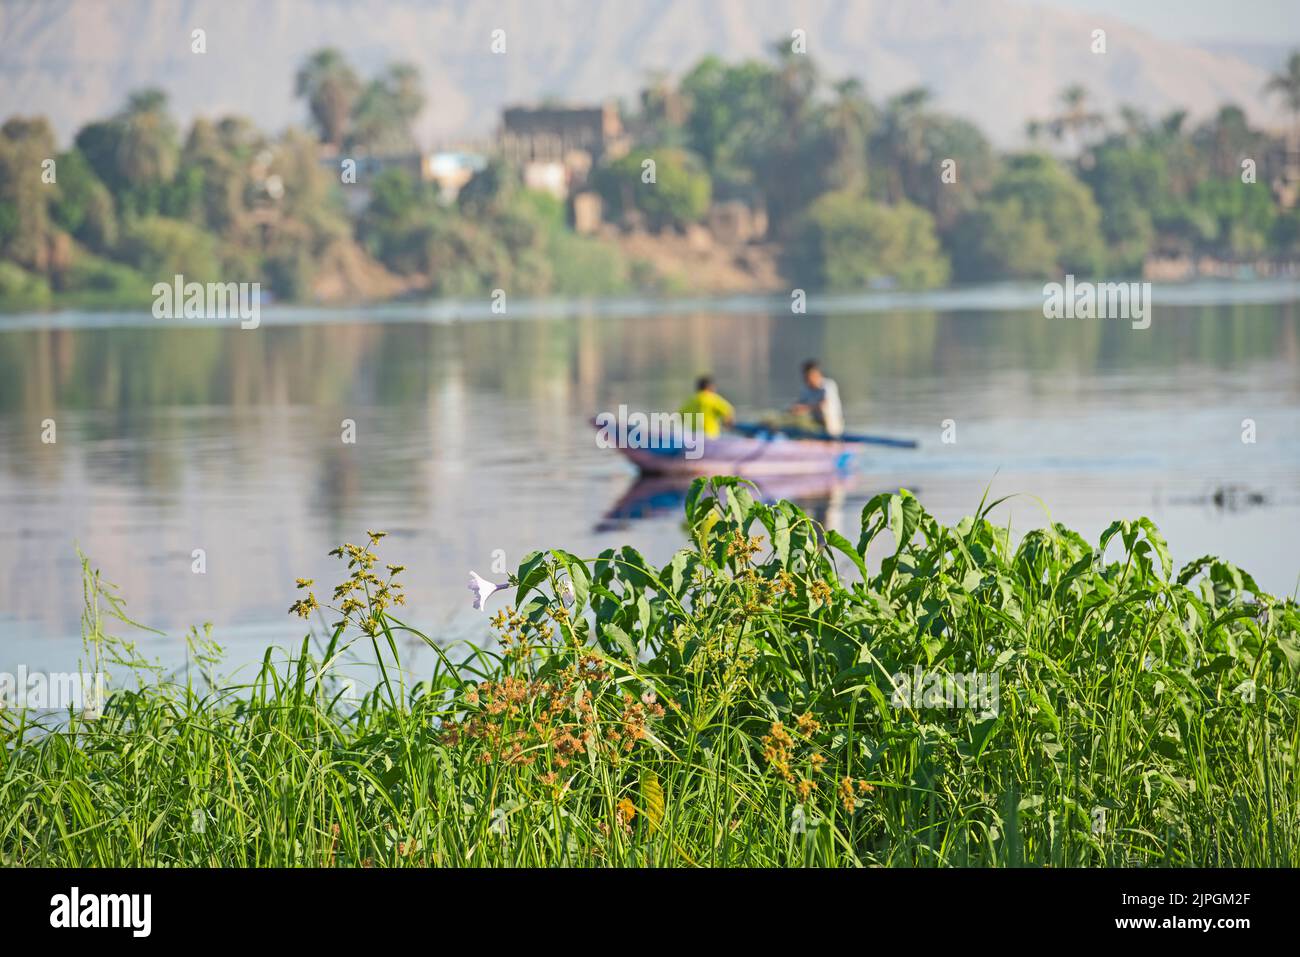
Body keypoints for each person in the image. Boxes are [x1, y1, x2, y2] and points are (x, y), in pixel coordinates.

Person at [789, 359, 844, 437]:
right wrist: (794, 409)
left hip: (832, 428)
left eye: (807, 377)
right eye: (804, 377)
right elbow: (799, 404)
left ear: (816, 374)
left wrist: (804, 409)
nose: (805, 380)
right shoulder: (805, 389)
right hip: (815, 425)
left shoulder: (828, 385)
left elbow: (824, 404)